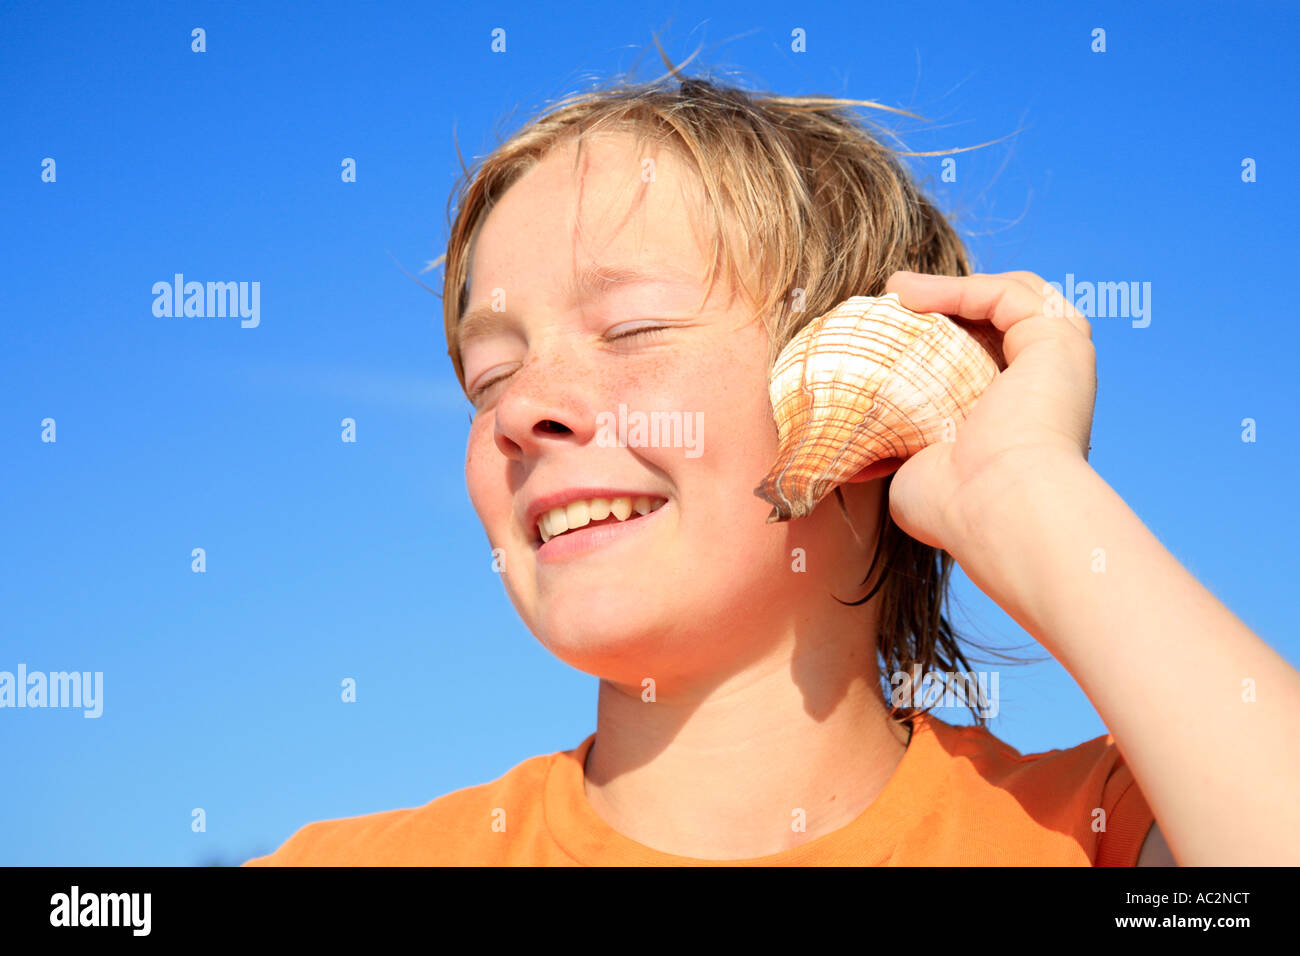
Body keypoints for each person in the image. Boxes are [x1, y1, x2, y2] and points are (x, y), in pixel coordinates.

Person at [243, 75, 1298, 866]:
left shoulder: (1093, 837)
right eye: (489, 372)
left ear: (852, 380)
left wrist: (1025, 489)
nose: (521, 408)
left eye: (632, 326)